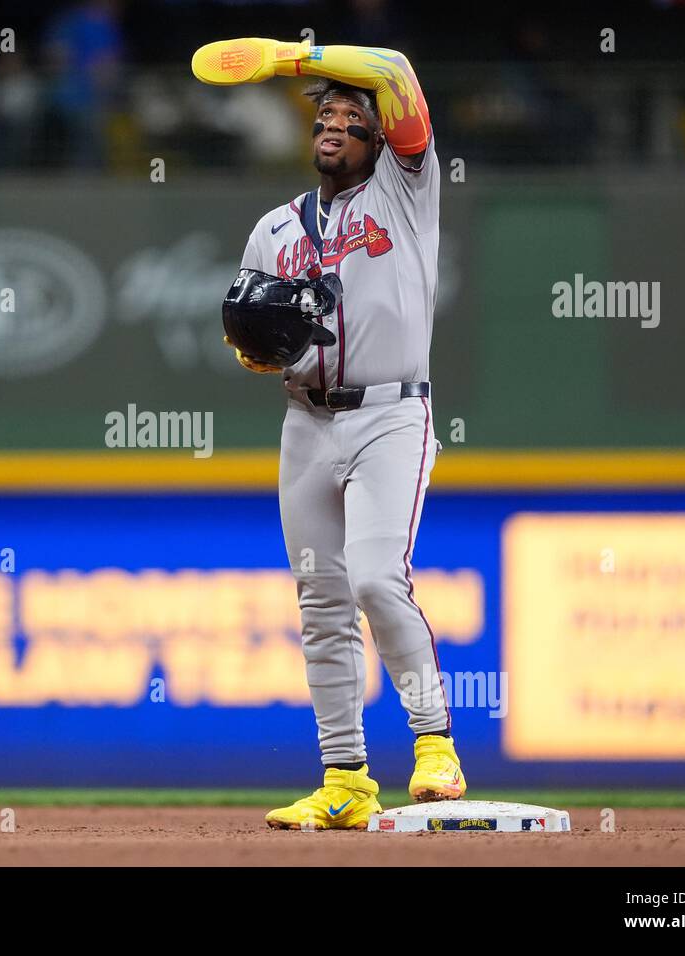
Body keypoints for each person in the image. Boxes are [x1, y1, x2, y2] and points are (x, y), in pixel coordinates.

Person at [193, 38, 464, 829]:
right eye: (326, 116)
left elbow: (397, 73)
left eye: (351, 116)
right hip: (306, 419)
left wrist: (291, 59)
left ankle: (435, 742)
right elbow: (246, 341)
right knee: (321, 602)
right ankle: (344, 780)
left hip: (390, 413)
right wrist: (254, 346)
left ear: (382, 139)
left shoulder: (408, 191)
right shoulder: (274, 228)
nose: (335, 124)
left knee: (378, 578)